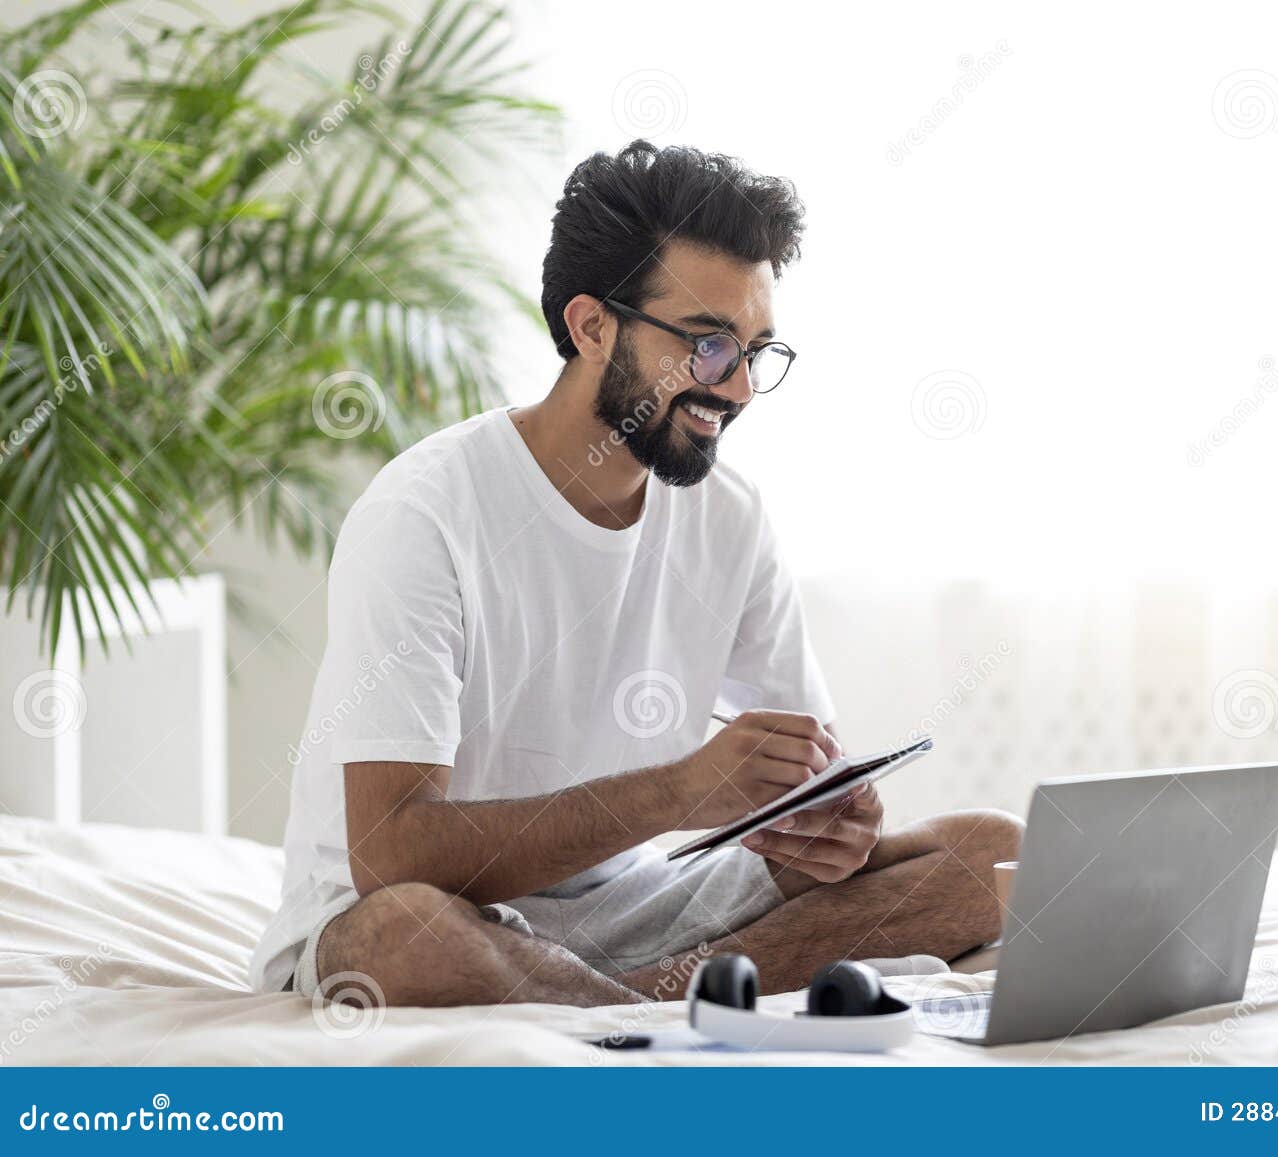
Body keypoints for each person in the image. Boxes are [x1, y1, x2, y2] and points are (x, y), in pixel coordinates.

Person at [249, 140, 1022, 1007]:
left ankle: (625, 1003)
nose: (738, 389)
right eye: (708, 345)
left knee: (991, 854)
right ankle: (640, 1004)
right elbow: (391, 851)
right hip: (428, 908)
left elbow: (810, 784)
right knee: (403, 937)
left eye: (756, 351)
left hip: (631, 905)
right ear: (591, 327)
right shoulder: (425, 513)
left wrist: (832, 822)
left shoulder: (730, 518)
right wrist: (683, 791)